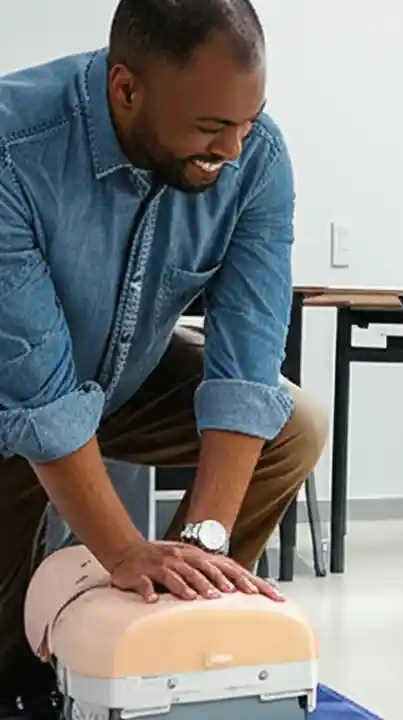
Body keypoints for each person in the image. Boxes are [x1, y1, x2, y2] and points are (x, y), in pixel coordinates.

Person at [0, 0, 325, 711]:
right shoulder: (12, 147)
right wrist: (123, 552)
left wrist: (200, 547)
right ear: (126, 90)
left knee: (293, 424)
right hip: (12, 405)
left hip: (121, 381)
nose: (235, 148)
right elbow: (35, 390)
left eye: (248, 119)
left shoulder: (256, 156)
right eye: (212, 127)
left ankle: (169, 632)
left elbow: (246, 357)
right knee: (10, 669)